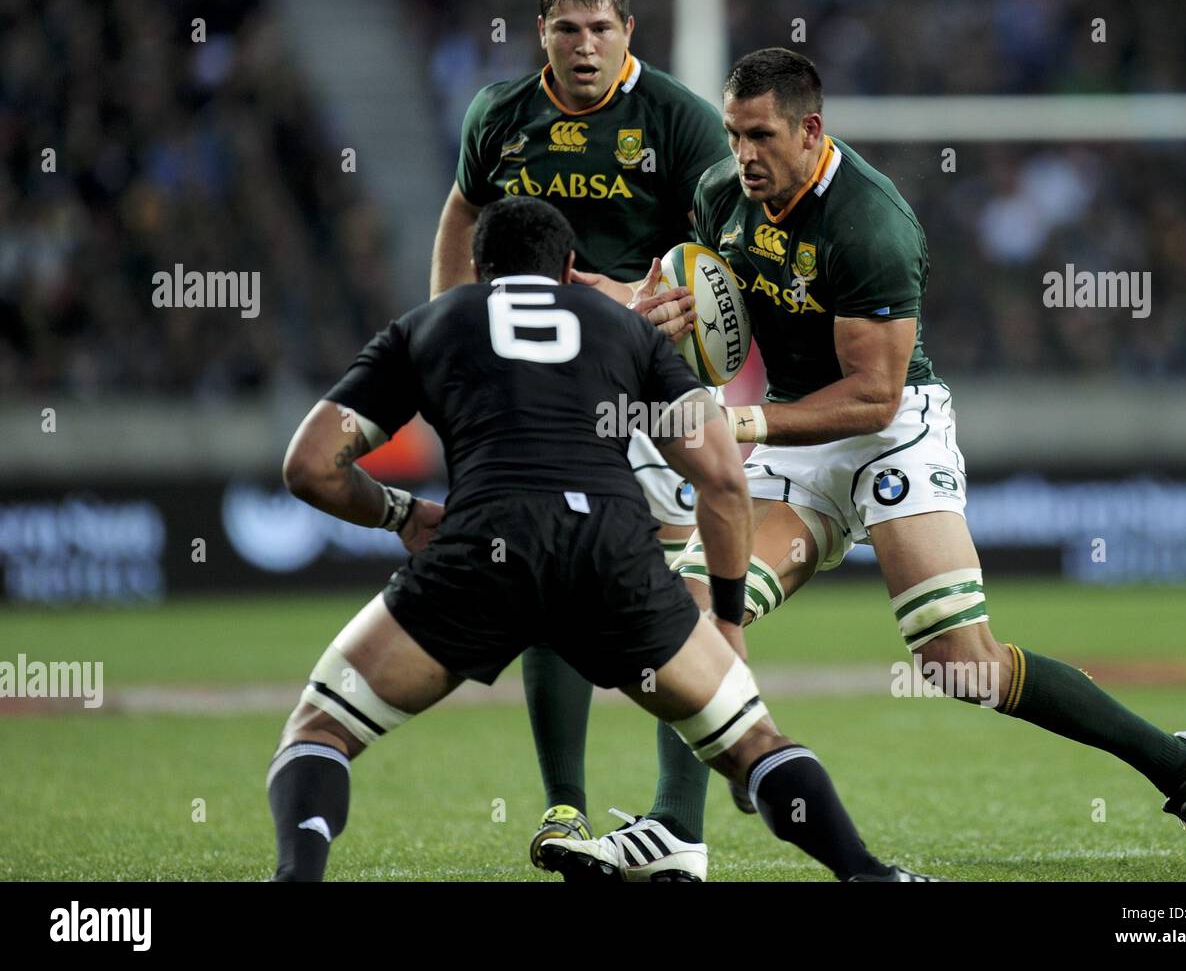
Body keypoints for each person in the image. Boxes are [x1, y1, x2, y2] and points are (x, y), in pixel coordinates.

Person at [553, 48, 1186, 884]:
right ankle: (674, 830)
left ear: (811, 130)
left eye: (761, 135)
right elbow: (705, 302)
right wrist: (629, 297)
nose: (742, 154)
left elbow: (874, 397)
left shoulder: (871, 222)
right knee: (686, 609)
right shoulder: (719, 196)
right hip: (791, 438)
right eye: (734, 133)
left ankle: (1183, 767)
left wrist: (741, 419)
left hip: (891, 435)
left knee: (961, 664)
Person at [266, 196, 937, 883]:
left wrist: (402, 514)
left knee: (322, 730)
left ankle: (298, 875)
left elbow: (310, 467)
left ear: (476, 267)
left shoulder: (430, 324)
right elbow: (724, 481)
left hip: (480, 548)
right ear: (568, 268)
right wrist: (728, 619)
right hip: (611, 552)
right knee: (753, 742)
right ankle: (865, 873)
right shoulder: (623, 330)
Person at [429, 0, 735, 868]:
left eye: (600, 28)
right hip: (545, 387)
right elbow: (463, 211)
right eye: (568, 30)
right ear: (542, 33)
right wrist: (450, 323)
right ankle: (566, 809)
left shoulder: (677, 118)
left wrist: (678, 293)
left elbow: (726, 237)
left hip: (655, 379)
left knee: (677, 596)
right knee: (551, 588)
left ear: (628, 30)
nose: (585, 45)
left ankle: (678, 829)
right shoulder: (499, 116)